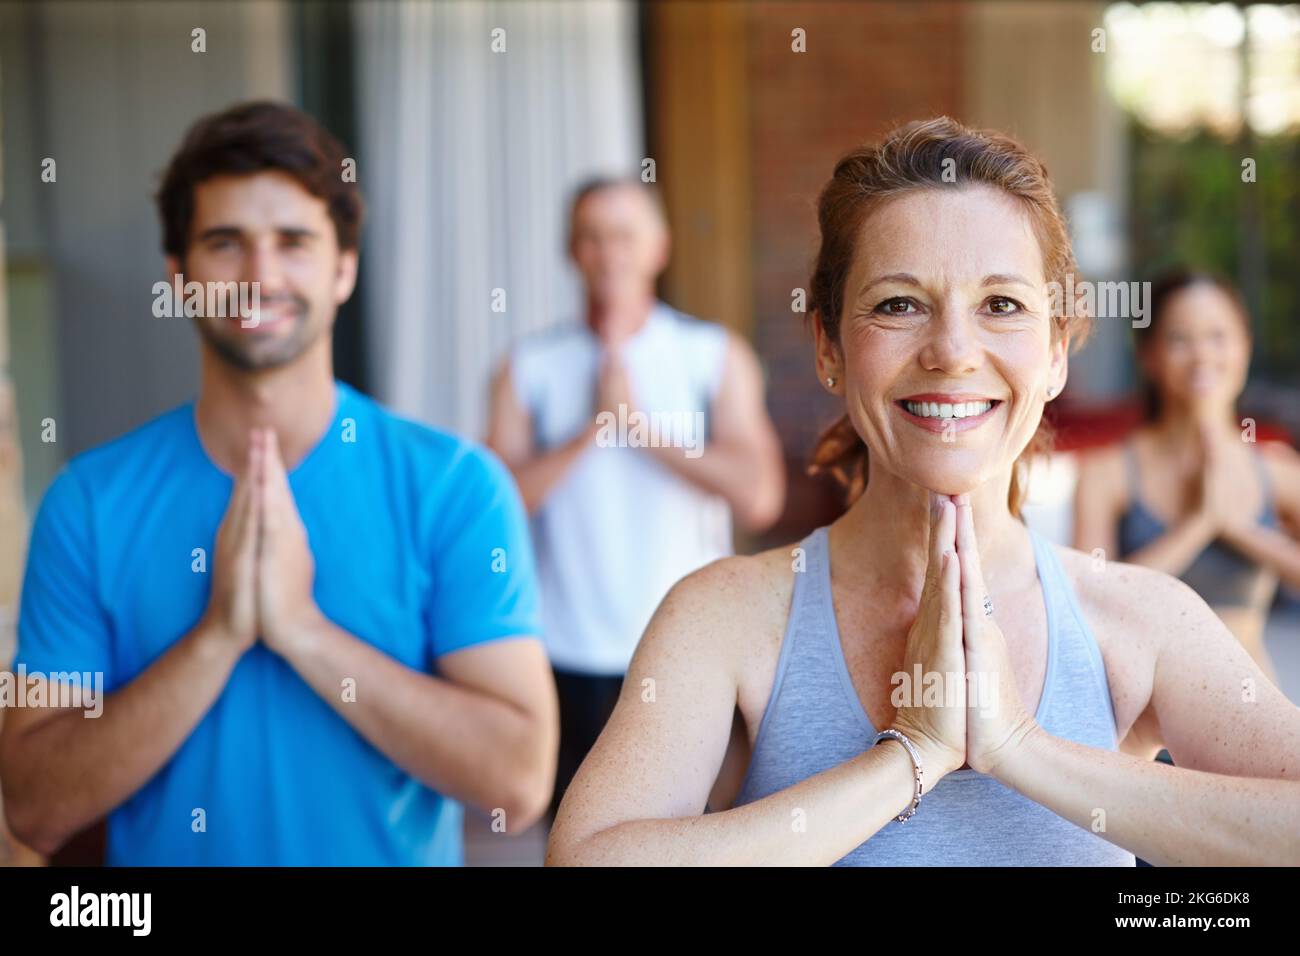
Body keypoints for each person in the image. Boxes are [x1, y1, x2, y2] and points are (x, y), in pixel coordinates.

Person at [546, 118, 1300, 866]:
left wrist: (1019, 749)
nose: (951, 352)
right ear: (829, 348)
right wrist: (909, 757)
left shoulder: (1142, 618)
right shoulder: (725, 616)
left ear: (1058, 351)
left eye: (1001, 305)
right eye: (899, 304)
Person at [0, 101, 558, 865]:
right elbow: (32, 804)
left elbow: (518, 780)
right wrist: (217, 636)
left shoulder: (456, 487)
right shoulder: (87, 503)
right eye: (225, 243)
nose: (260, 276)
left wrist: (302, 631)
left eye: (293, 242)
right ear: (180, 276)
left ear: (343, 269)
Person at [487, 177, 785, 819]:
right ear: (572, 250)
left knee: (690, 834)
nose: (608, 253)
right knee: (577, 837)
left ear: (659, 247)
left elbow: (760, 497)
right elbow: (493, 508)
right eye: (592, 237)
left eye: (624, 235)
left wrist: (642, 430)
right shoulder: (527, 365)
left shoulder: (711, 355)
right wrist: (591, 430)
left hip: (687, 646)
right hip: (566, 651)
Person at [1074, 270, 1300, 699]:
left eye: (1219, 337)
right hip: (1142, 724)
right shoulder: (1107, 471)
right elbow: (1089, 600)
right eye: (1180, 339)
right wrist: (1200, 523)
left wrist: (1242, 530)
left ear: (1245, 347)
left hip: (1255, 711)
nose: (1202, 356)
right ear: (1149, 356)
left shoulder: (1276, 469)